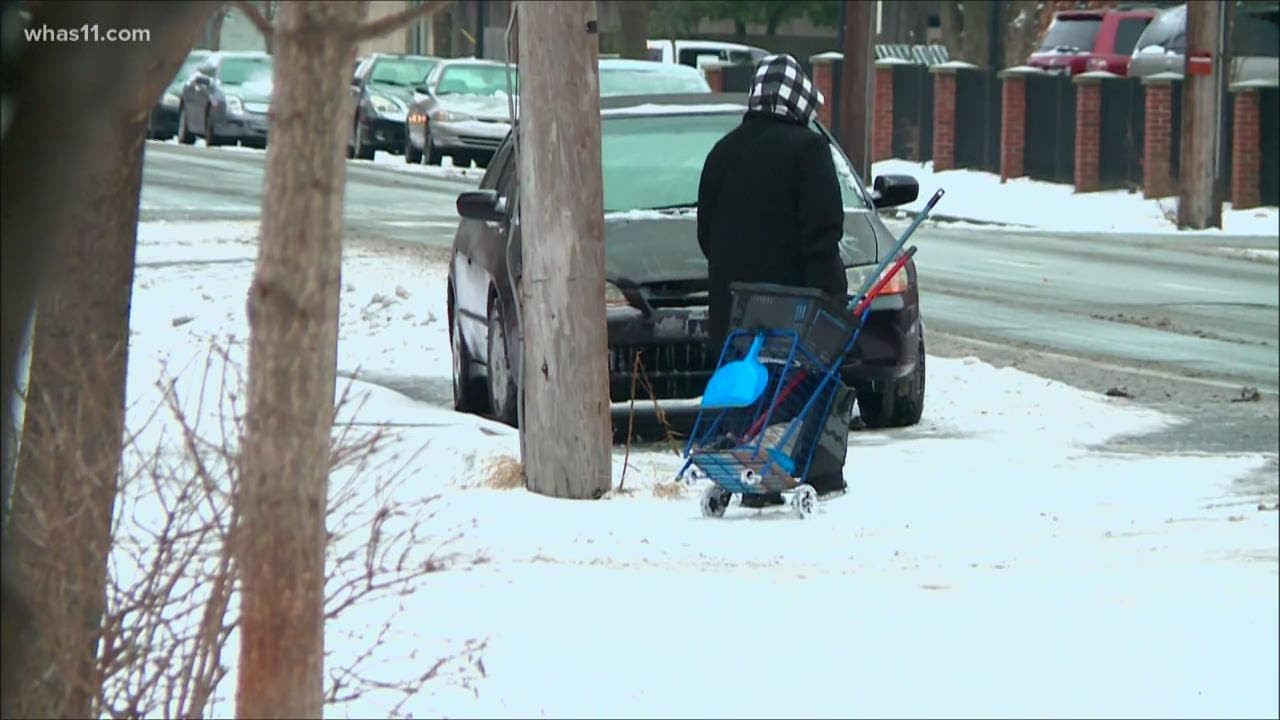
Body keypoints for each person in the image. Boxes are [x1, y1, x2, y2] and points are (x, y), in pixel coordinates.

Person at [696, 53, 849, 508]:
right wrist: (833, 300)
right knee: (799, 387)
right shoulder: (809, 151)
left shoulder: (722, 151)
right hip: (795, 309)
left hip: (736, 311)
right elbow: (822, 237)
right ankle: (812, 472)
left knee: (749, 390)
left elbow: (706, 233)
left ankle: (748, 473)